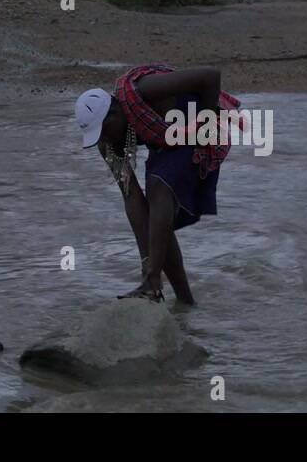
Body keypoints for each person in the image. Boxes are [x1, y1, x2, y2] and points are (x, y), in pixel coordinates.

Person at [74, 64, 240, 304]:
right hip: (168, 139)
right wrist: (146, 262)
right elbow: (130, 195)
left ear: (115, 112)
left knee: (159, 186)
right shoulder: (106, 141)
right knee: (156, 217)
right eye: (98, 135)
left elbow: (210, 76)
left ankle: (155, 280)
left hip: (204, 121)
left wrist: (203, 127)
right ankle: (179, 299)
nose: (105, 138)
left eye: (105, 129)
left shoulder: (145, 90)